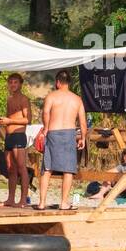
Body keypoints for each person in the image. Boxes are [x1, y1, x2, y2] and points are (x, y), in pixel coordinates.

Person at [38, 70, 87, 211]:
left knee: (47, 168)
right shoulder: (77, 99)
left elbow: (46, 113)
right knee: (68, 170)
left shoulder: (51, 96)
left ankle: (42, 202)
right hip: (68, 134)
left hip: (53, 132)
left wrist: (46, 128)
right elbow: (83, 122)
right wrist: (82, 138)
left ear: (58, 82)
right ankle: (64, 203)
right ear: (69, 83)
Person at [0, 73, 32, 207]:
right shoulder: (9, 99)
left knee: (21, 168)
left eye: (15, 82)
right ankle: (10, 199)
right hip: (9, 136)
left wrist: (10, 120)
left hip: (19, 135)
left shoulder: (24, 99)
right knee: (11, 168)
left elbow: (28, 120)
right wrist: (4, 122)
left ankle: (23, 199)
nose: (12, 85)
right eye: (10, 82)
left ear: (20, 84)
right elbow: (8, 118)